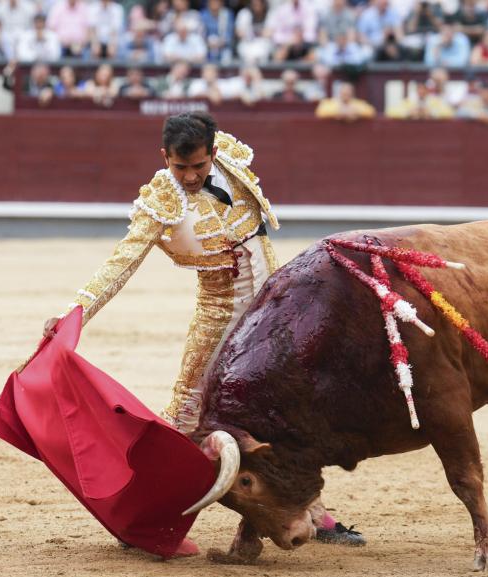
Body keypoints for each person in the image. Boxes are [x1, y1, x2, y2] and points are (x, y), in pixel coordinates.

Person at [42, 113, 364, 549]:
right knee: (184, 418)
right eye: (181, 168)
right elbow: (121, 264)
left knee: (290, 415)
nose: (191, 177)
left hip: (276, 313)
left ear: (213, 152)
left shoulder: (229, 158)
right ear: (165, 158)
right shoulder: (162, 202)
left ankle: (312, 511)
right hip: (220, 316)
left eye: (198, 166)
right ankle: (147, 517)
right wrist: (73, 314)